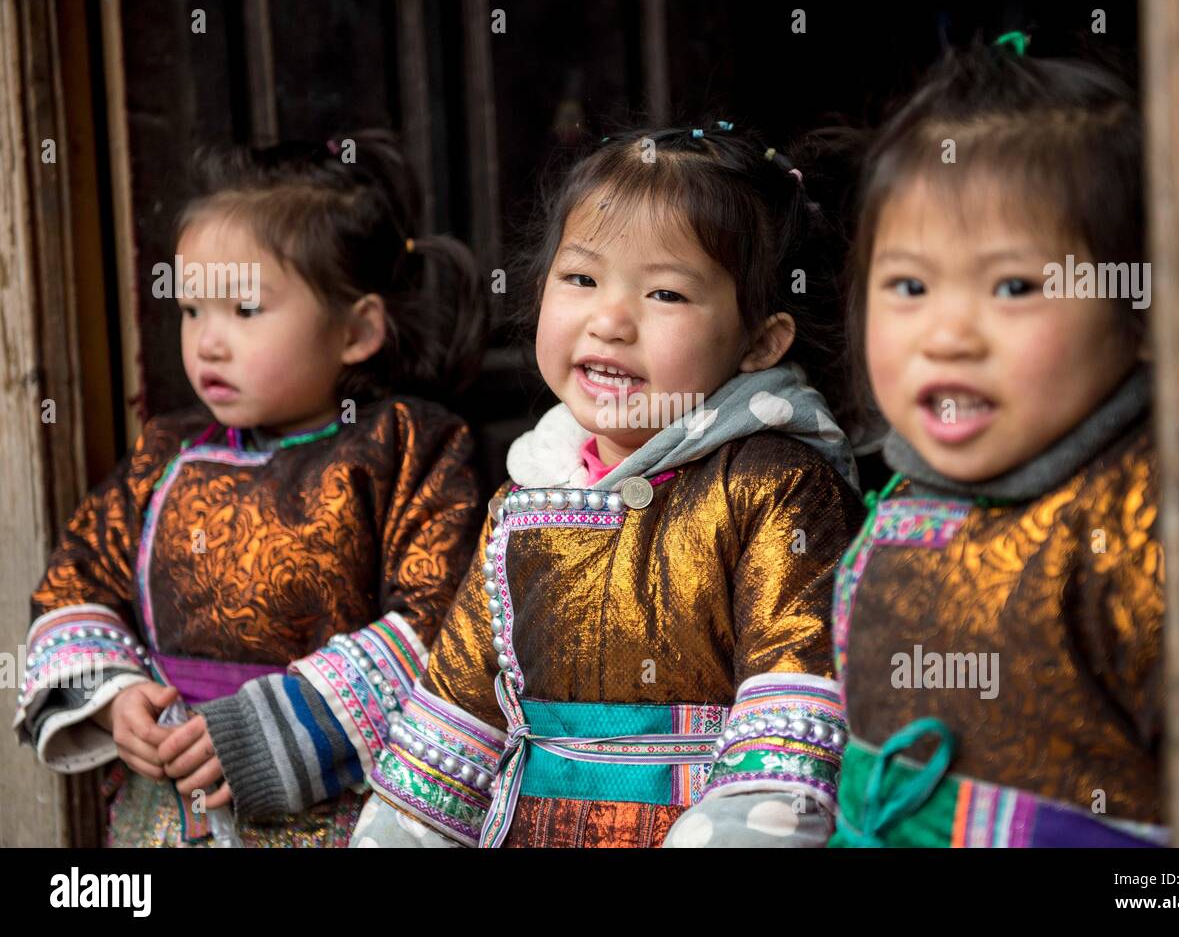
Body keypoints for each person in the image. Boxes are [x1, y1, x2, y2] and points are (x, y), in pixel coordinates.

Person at [351, 121, 864, 848]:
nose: (610, 320)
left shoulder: (777, 489)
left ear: (760, 340)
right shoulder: (523, 503)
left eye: (665, 292)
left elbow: (787, 751)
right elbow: (451, 737)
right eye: (582, 279)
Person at [15, 130, 486, 846]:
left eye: (243, 311)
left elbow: (446, 621)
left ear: (357, 330)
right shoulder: (167, 452)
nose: (207, 341)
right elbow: (75, 580)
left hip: (335, 812)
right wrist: (116, 700)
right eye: (193, 310)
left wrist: (266, 727)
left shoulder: (405, 448)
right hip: (167, 812)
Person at [830, 40, 1167, 847]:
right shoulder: (895, 500)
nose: (946, 335)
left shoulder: (1143, 520)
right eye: (909, 286)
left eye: (1014, 286)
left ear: (1143, 310)